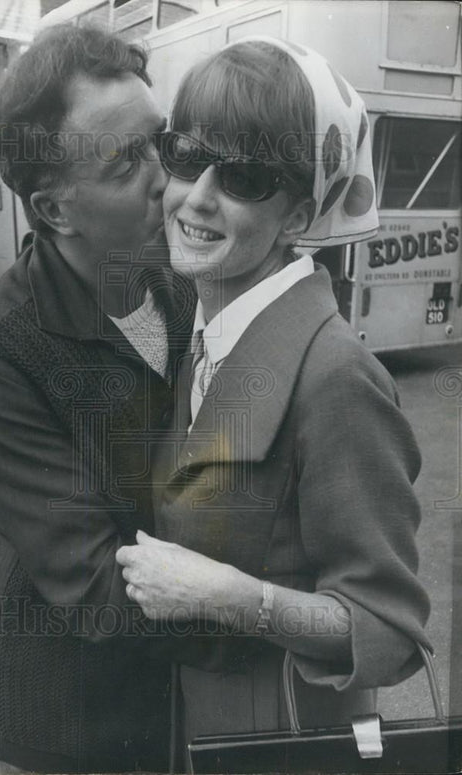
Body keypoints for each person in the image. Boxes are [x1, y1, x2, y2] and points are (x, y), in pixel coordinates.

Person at [116, 36, 432, 759]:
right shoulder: (203, 328)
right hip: (198, 727)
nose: (197, 196)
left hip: (288, 741)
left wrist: (229, 594)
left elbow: (389, 627)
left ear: (297, 217)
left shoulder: (333, 374)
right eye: (188, 156)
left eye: (245, 178)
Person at [0, 23, 195, 774]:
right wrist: (277, 599)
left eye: (164, 143)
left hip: (184, 695)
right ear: (54, 211)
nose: (167, 181)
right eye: (126, 163)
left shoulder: (179, 282)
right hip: (73, 726)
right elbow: (99, 595)